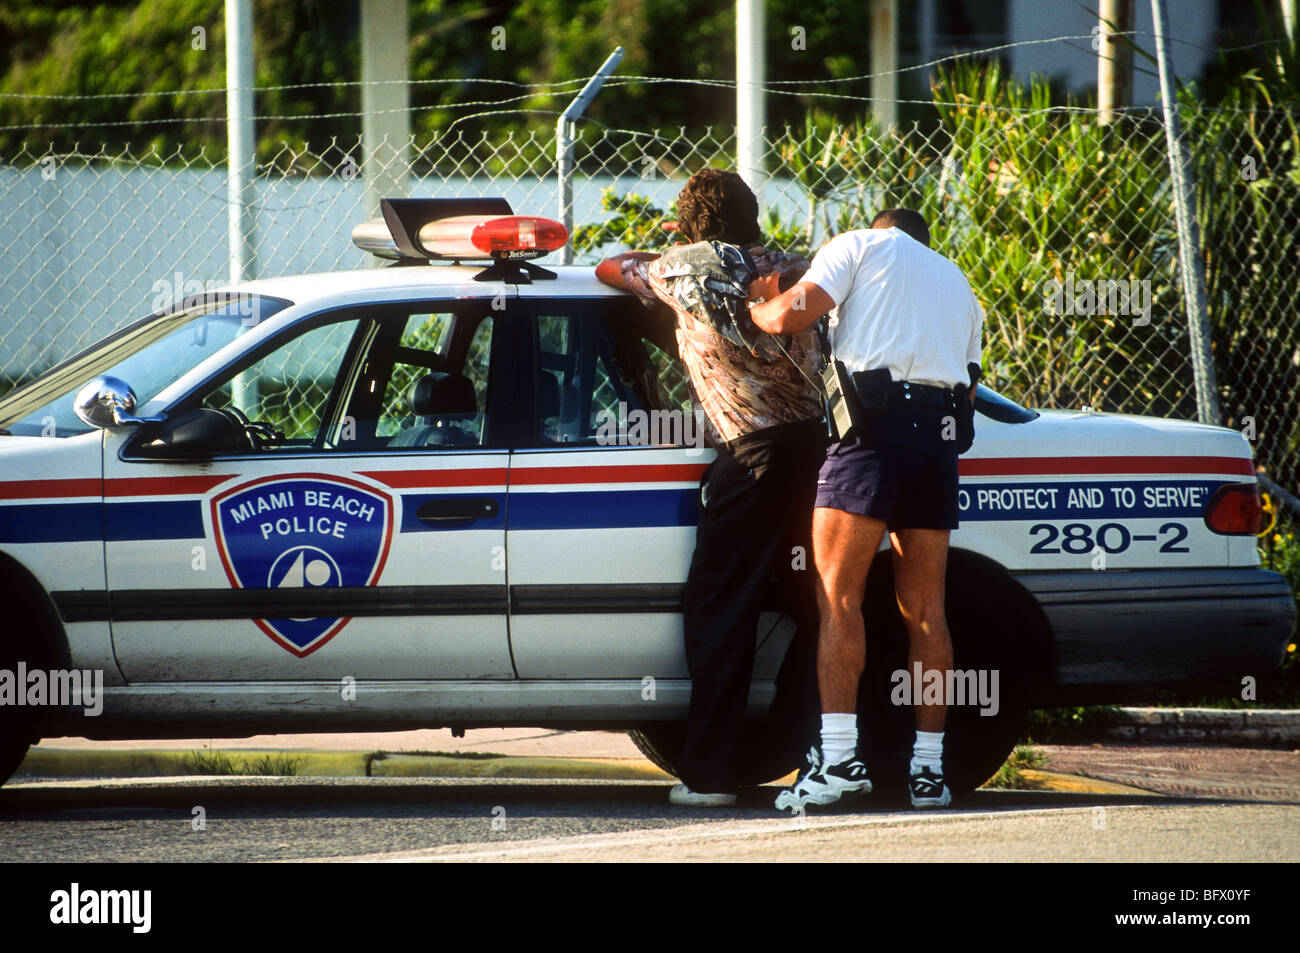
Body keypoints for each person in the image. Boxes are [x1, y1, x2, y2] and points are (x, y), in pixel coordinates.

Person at [596, 168, 826, 807]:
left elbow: (613, 269)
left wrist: (667, 246)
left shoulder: (682, 271)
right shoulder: (795, 265)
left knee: (722, 612)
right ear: (753, 216)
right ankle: (819, 758)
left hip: (751, 460)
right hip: (821, 453)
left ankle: (711, 774)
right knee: (821, 607)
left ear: (689, 222)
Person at [746, 208, 983, 810]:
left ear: (881, 227)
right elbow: (972, 385)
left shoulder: (858, 246)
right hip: (939, 444)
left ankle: (840, 762)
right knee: (928, 610)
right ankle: (929, 772)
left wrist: (759, 305)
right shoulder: (957, 281)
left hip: (872, 438)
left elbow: (794, 316)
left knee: (838, 599)